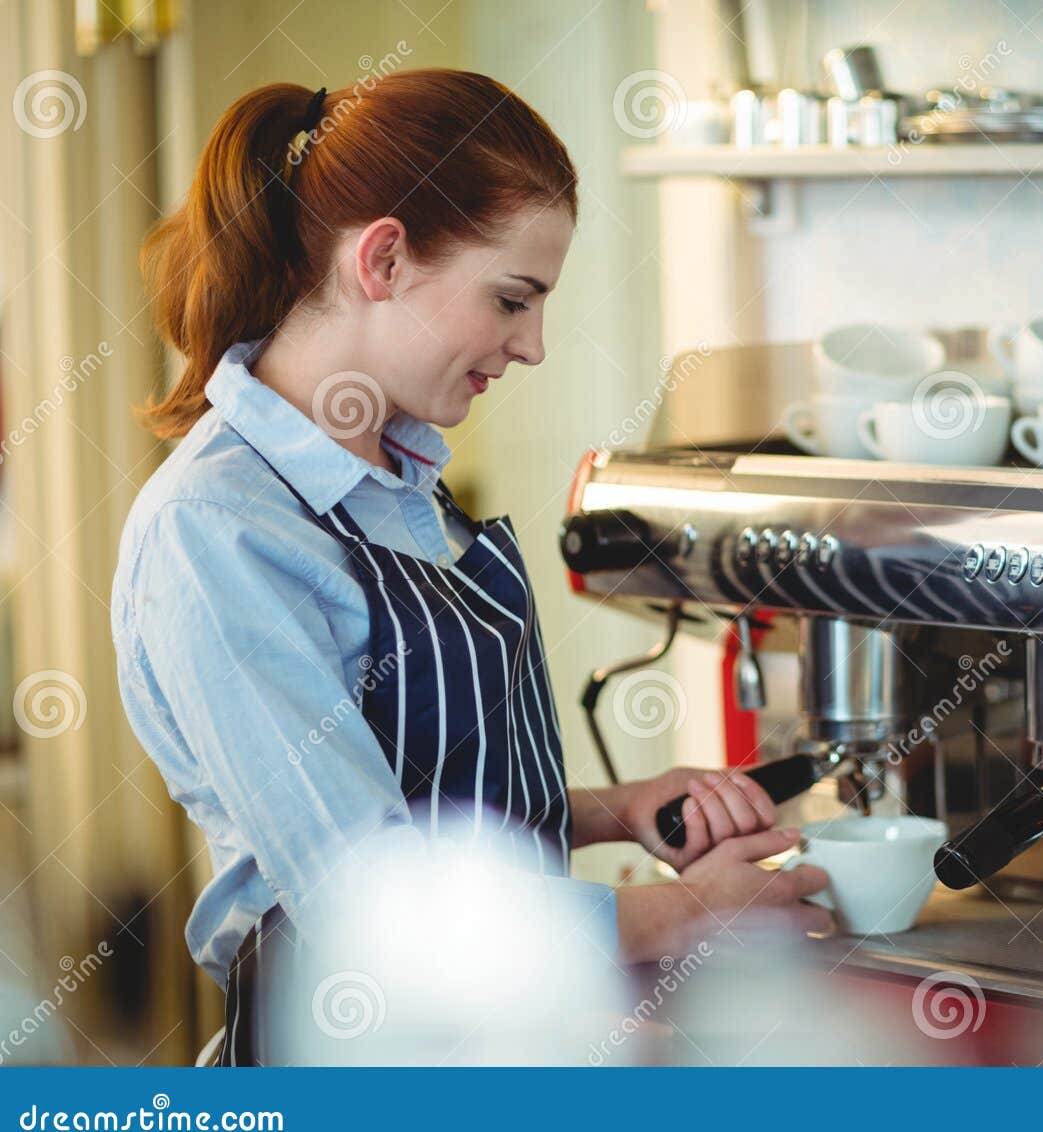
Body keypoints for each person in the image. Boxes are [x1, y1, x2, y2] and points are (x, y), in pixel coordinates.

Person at [110, 69, 827, 1066]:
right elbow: (379, 897)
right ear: (385, 257)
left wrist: (615, 810)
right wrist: (680, 912)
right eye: (511, 298)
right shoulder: (218, 532)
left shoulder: (394, 475)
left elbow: (427, 803)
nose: (530, 345)